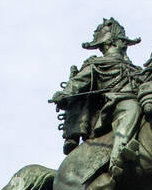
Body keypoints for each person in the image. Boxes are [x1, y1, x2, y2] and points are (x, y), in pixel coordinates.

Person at [50, 18, 145, 176]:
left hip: (141, 100)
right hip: (115, 105)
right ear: (110, 43)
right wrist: (64, 93)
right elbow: (78, 82)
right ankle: (118, 156)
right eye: (122, 40)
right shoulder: (96, 65)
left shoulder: (136, 69)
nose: (125, 44)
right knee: (131, 108)